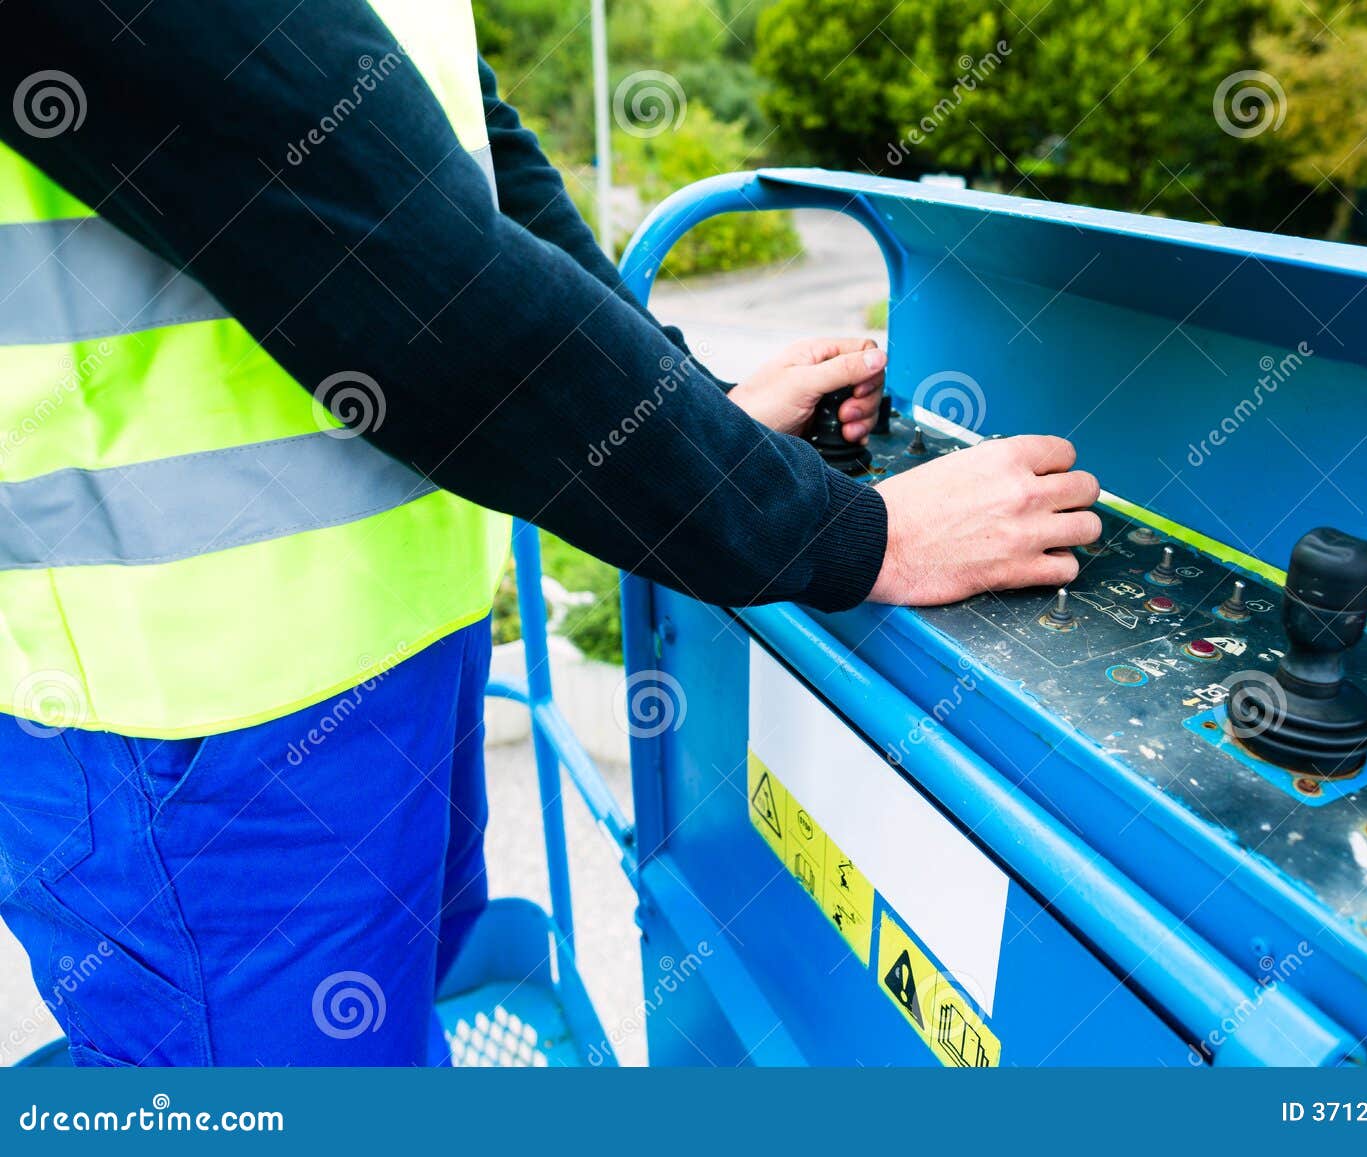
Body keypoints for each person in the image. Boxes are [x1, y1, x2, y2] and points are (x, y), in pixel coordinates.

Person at [0, 0, 1100, 1065]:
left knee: (391, 1035)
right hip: (186, 726)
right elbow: (391, 259)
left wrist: (690, 403)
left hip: (387, 657)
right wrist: (852, 534)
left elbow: (477, 165)